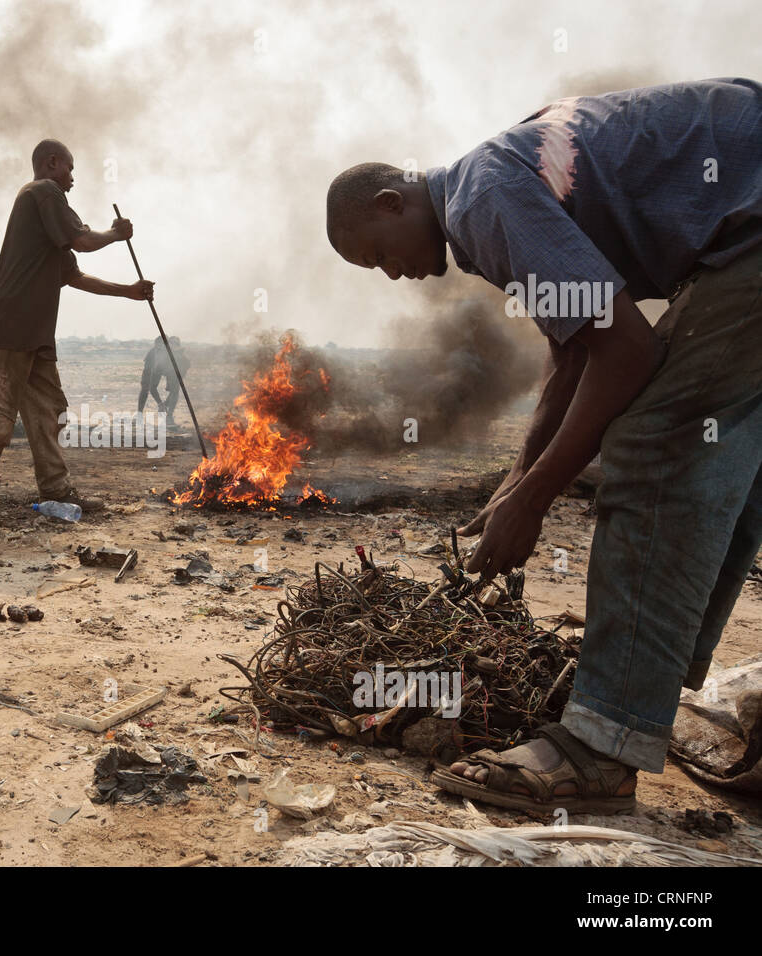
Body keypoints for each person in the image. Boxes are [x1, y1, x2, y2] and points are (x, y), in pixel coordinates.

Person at [325, 78, 762, 814]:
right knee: (735, 454)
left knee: (655, 445)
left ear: (390, 204)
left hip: (749, 240)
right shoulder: (493, 176)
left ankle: (603, 744)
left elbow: (624, 352)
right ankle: (647, 683)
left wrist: (533, 502)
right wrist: (517, 477)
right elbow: (575, 349)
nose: (394, 275)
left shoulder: (479, 201)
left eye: (378, 257)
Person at [0, 139, 155, 528]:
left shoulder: (48, 218)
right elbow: (84, 241)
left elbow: (72, 275)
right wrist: (115, 233)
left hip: (36, 334)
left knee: (47, 411)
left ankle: (56, 491)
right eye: (70, 170)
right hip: (13, 326)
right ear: (52, 163)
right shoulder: (43, 192)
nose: (72, 180)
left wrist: (129, 292)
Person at [137, 336, 190, 426]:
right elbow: (152, 387)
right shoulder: (157, 358)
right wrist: (160, 403)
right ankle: (139, 415)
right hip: (153, 367)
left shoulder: (184, 362)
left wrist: (166, 404)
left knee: (175, 390)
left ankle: (169, 417)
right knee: (145, 388)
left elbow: (175, 388)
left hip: (170, 369)